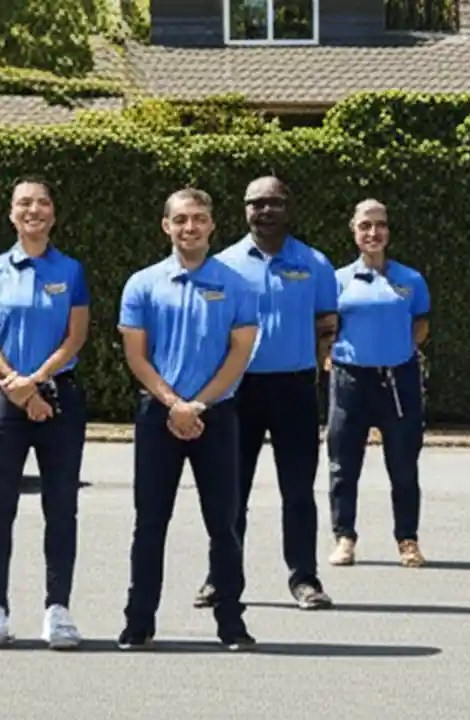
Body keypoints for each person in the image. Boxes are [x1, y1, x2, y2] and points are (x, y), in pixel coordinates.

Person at [117, 187, 259, 651]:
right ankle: (138, 622)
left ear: (212, 225)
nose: (190, 227)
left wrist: (197, 405)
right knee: (150, 522)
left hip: (216, 415)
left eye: (198, 218)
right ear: (166, 226)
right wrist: (173, 403)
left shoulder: (236, 284)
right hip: (157, 415)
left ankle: (231, 623)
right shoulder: (142, 283)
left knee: (224, 522)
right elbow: (136, 356)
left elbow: (240, 354)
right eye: (181, 220)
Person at [197, 176, 338, 611]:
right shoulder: (222, 264)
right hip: (237, 390)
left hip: (294, 388)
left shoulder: (315, 264)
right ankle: (220, 577)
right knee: (230, 489)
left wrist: (320, 371)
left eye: (274, 203)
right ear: (244, 210)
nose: (265, 211)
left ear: (288, 207)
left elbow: (327, 326)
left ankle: (304, 578)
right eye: (256, 203)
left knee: (297, 491)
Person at [0, 176, 90, 649]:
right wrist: (16, 387)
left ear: (53, 214)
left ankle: (57, 610)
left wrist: (35, 382)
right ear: (11, 213)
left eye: (41, 203)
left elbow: (75, 337)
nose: (33, 210)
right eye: (24, 203)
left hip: (57, 394)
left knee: (61, 507)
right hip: (3, 397)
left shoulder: (72, 270)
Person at [324, 199, 430, 568]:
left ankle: (408, 540)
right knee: (343, 464)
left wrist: (400, 348)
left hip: (398, 379)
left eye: (380, 225)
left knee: (403, 465)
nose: (373, 232)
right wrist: (328, 354)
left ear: (388, 230)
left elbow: (421, 323)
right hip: (350, 379)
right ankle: (344, 537)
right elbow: (325, 326)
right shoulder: (336, 280)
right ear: (354, 231)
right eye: (365, 226)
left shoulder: (410, 279)